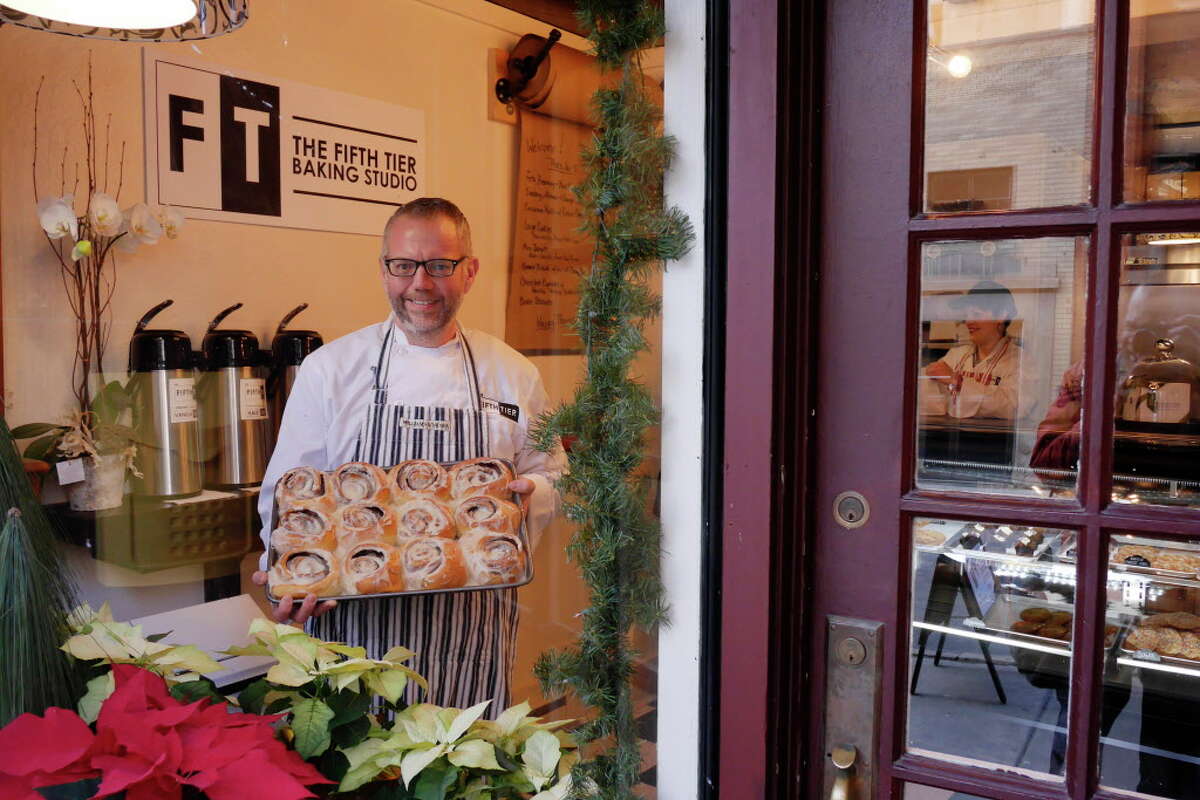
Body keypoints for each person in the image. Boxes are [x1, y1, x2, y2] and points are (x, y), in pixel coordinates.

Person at [252, 197, 566, 711]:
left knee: (463, 780)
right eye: (403, 265)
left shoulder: (512, 373)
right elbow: (288, 496)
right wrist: (288, 574)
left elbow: (550, 470)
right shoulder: (330, 370)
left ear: (469, 272)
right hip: (354, 632)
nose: (420, 284)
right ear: (384, 271)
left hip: (470, 635)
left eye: (440, 265)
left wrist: (536, 491)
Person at [923, 280, 1027, 420]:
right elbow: (928, 399)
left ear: (1001, 316)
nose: (968, 321)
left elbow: (1013, 408)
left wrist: (957, 382)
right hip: (948, 439)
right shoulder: (956, 355)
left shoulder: (1021, 361)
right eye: (967, 315)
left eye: (976, 314)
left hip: (994, 441)